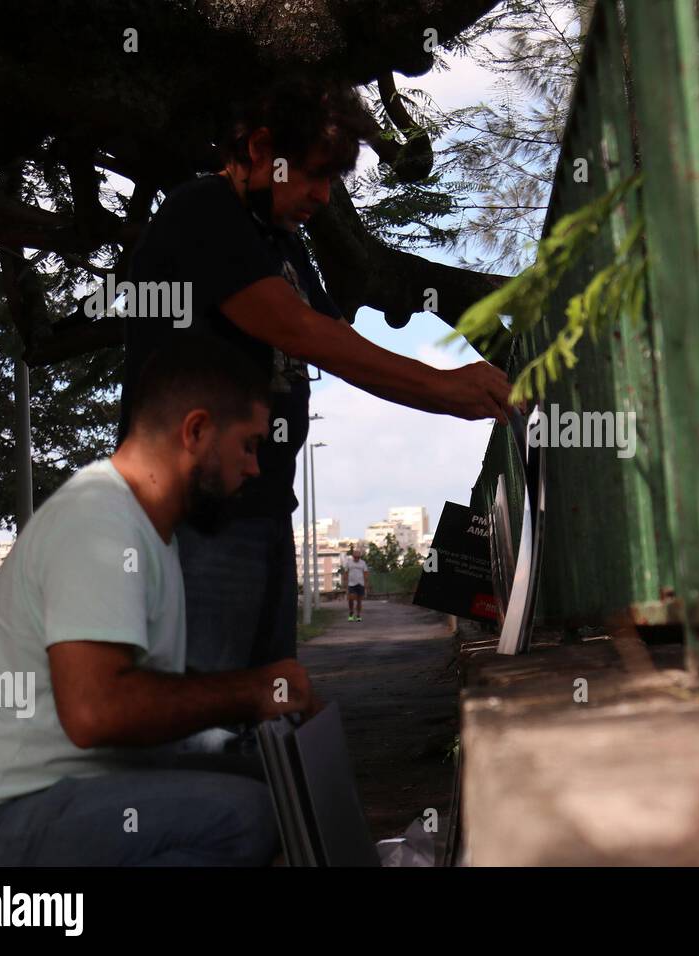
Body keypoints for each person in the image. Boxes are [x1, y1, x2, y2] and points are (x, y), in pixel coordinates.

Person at [117, 73, 514, 677]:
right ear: (260, 151)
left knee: (264, 716)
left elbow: (342, 340)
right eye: (313, 174)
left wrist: (458, 384)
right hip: (195, 524)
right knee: (199, 719)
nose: (324, 196)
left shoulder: (283, 243)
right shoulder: (202, 211)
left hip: (265, 513)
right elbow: (304, 334)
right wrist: (444, 388)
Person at [0, 337, 318, 866]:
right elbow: (97, 712)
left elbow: (147, 702)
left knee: (276, 786)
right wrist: (253, 692)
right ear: (197, 431)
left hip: (54, 802)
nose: (254, 468)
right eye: (249, 445)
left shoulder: (153, 532)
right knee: (243, 817)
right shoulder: (101, 520)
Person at [343, 546, 368, 621]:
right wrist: (345, 581)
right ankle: (351, 612)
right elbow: (346, 572)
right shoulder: (349, 563)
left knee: (359, 600)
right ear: (353, 556)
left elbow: (365, 573)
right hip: (351, 584)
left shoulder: (363, 563)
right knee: (351, 598)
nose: (356, 558)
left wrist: (366, 582)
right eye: (355, 557)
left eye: (358, 557)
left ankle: (358, 615)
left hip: (360, 583)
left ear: (359, 557)